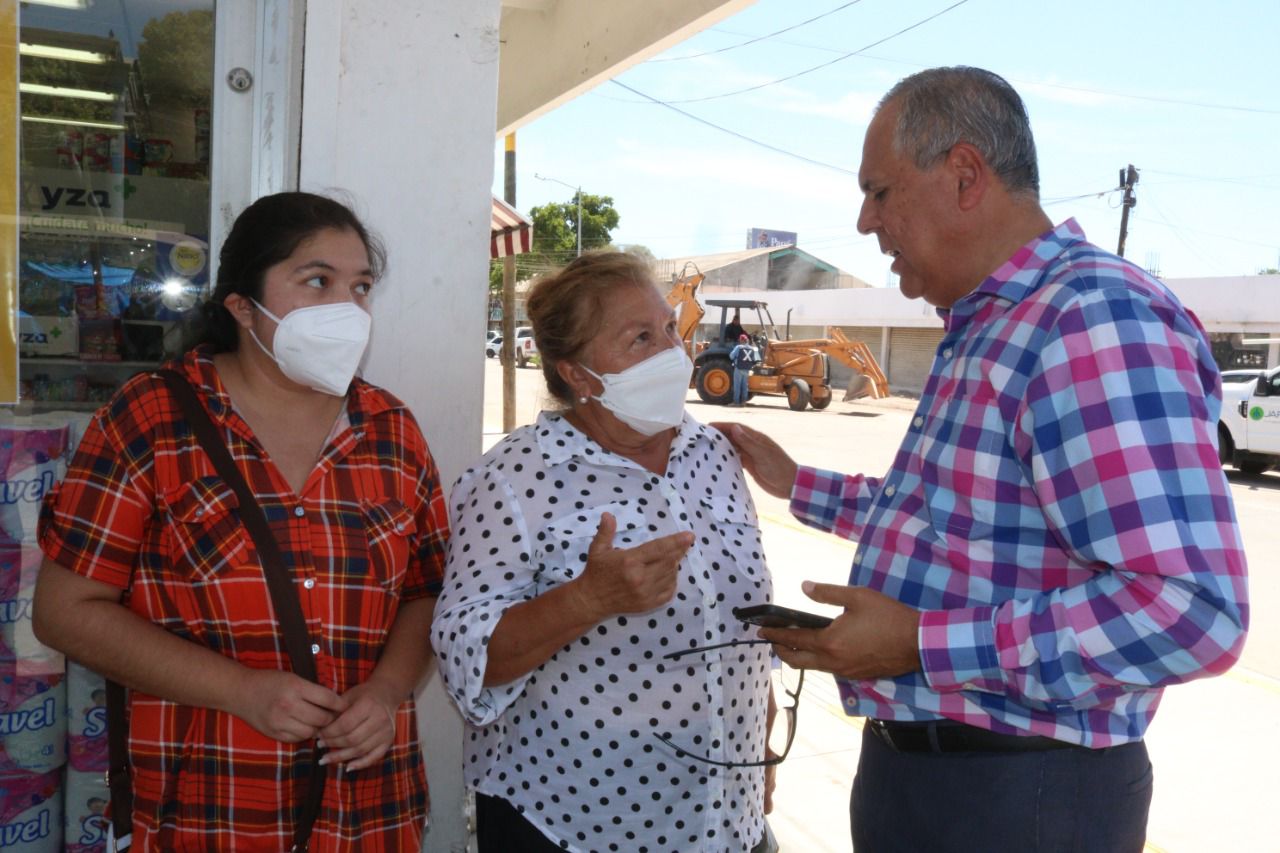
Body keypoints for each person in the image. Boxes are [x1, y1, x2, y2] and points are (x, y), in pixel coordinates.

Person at [718, 67, 1249, 852]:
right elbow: (956, 519)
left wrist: (919, 643)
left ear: (964, 174)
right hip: (940, 779)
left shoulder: (1091, 319)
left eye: (879, 191)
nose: (865, 222)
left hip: (1021, 795)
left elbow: (1191, 614)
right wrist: (799, 484)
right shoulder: (989, 322)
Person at [33, 191, 449, 851]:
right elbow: (64, 610)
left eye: (361, 286)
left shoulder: (390, 429)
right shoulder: (150, 419)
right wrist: (242, 690)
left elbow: (426, 588)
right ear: (240, 306)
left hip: (366, 811)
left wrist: (388, 690)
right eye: (318, 281)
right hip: (208, 811)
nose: (348, 307)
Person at [433, 251, 780, 853]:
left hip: (723, 818)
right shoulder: (515, 478)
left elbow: (732, 606)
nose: (673, 352)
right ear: (577, 374)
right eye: (640, 338)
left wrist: (757, 725)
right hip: (575, 822)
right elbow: (467, 662)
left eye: (670, 328)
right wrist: (587, 599)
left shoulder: (716, 455)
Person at [729, 333, 759, 407]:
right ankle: (743, 402)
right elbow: (755, 359)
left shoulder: (738, 347)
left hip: (738, 368)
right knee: (745, 386)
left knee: (737, 386)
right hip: (747, 369)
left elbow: (731, 356)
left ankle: (736, 402)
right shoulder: (752, 348)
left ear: (741, 340)